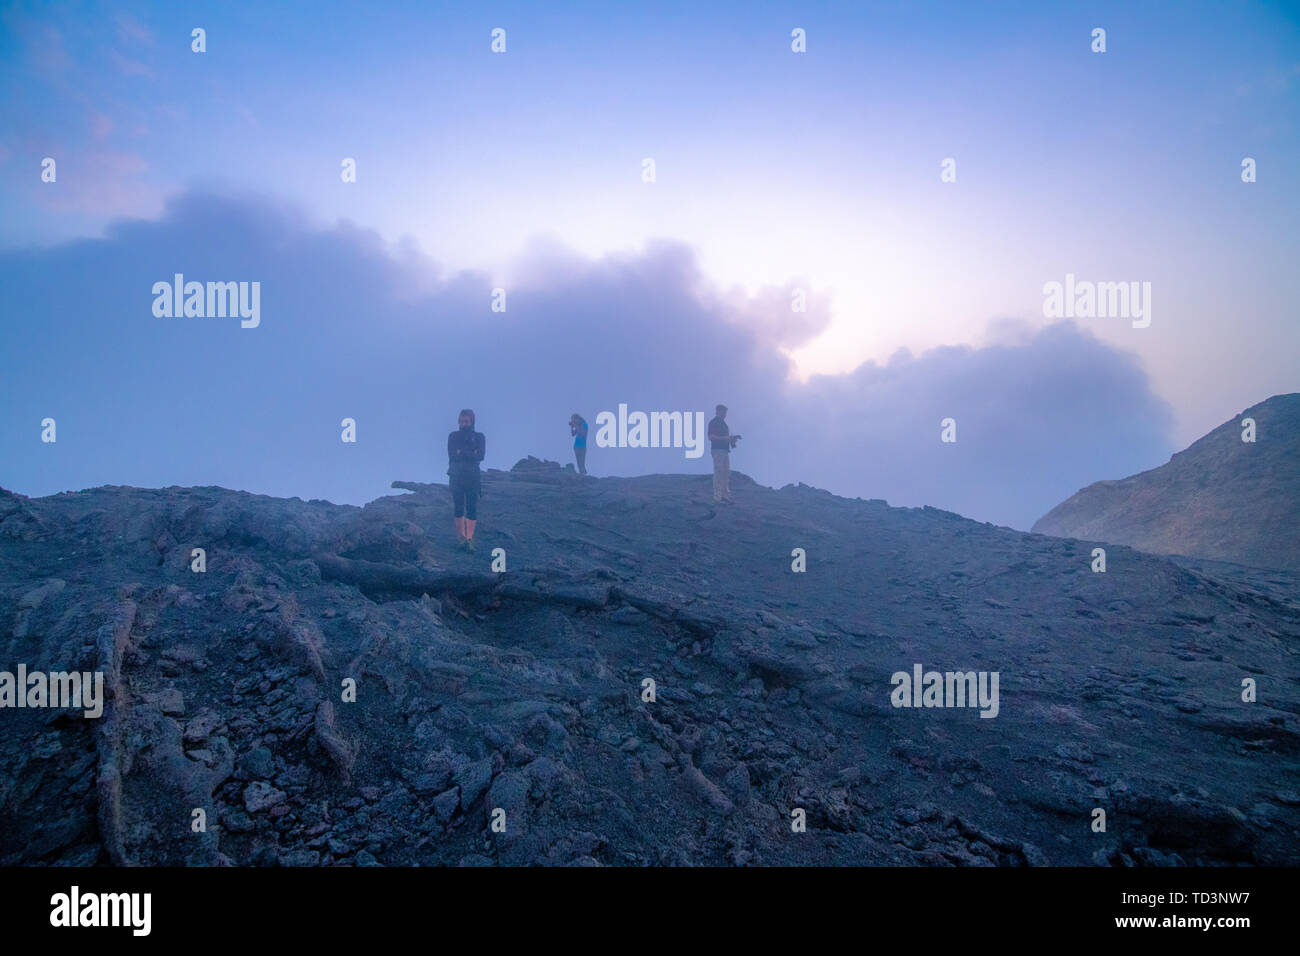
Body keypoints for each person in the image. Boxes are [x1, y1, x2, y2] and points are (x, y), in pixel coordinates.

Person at [447, 408, 485, 550]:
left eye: (466, 421)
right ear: (459, 421)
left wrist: (461, 452)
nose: (464, 424)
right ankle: (462, 538)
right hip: (456, 476)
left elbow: (481, 456)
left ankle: (469, 539)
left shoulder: (479, 436)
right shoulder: (453, 436)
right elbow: (452, 455)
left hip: (473, 477)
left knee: (471, 507)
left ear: (472, 421)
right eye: (462, 421)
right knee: (458, 507)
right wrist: (471, 453)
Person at [707, 403, 740, 503]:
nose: (725, 414)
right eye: (723, 412)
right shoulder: (713, 422)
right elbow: (710, 437)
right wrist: (725, 438)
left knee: (726, 473)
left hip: (725, 451)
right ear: (717, 411)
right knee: (719, 472)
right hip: (717, 450)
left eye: (725, 412)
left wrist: (732, 440)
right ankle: (717, 497)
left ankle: (725, 496)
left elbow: (726, 438)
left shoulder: (725, 425)